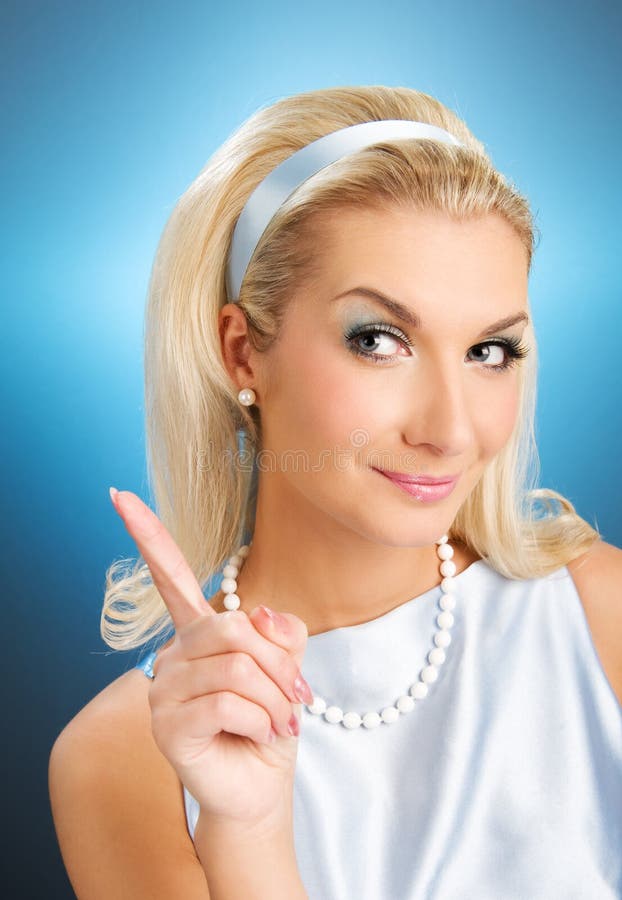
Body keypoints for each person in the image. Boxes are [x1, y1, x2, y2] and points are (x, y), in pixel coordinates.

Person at [48, 85, 622, 899]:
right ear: (244, 354)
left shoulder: (602, 617)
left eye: (490, 351)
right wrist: (247, 830)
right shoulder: (121, 758)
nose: (450, 429)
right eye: (379, 341)